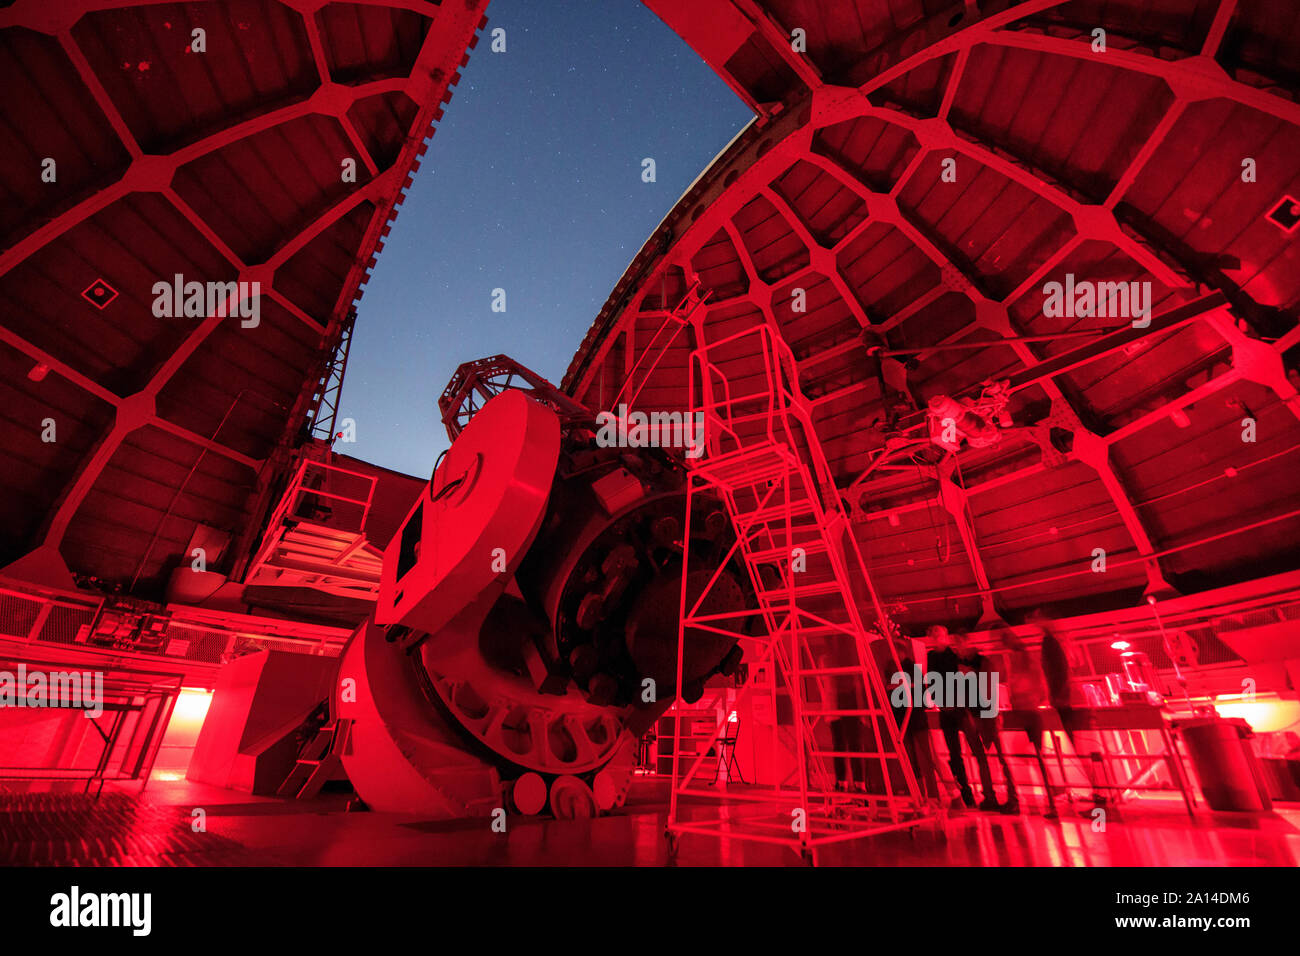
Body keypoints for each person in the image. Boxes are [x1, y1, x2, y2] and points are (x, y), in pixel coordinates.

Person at [1031, 611, 1103, 808]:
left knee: (1079, 748)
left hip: (1064, 702)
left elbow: (1055, 673)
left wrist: (1054, 696)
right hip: (1068, 700)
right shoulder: (1059, 642)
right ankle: (1096, 791)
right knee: (1083, 748)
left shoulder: (1050, 643)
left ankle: (1094, 792)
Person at [926, 625, 999, 810]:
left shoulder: (946, 656)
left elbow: (937, 680)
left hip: (957, 708)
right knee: (959, 753)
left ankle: (971, 794)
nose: (936, 637)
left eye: (938, 634)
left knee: (964, 752)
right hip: (952, 708)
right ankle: (970, 794)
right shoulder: (945, 656)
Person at [952, 630, 1017, 813]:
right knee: (993, 756)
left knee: (991, 756)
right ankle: (995, 796)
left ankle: (1000, 796)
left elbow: (987, 686)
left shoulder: (975, 664)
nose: (958, 648)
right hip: (977, 713)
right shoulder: (977, 663)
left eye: (959, 643)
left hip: (981, 713)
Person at [998, 628, 1059, 817]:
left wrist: (1015, 699)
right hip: (1031, 712)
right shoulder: (1028, 659)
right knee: (1038, 757)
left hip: (1022, 712)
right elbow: (1040, 688)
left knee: (1010, 756)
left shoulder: (1015, 659)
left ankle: (1018, 799)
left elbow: (1018, 685)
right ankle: (1051, 798)